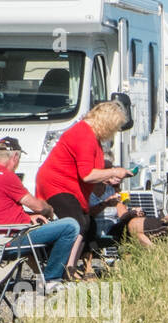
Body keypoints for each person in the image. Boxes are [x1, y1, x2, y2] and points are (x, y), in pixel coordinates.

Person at [0, 136, 80, 289]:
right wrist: (49, 209)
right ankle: (52, 279)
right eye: (19, 157)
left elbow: (3, 210)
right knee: (71, 225)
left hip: (0, 235)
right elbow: (38, 206)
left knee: (53, 226)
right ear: (15, 156)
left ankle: (43, 279)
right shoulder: (6, 176)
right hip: (12, 239)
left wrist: (30, 217)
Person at [35, 100, 131, 256]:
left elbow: (92, 171)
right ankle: (62, 267)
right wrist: (113, 172)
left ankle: (71, 266)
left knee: (87, 223)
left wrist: (108, 178)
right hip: (58, 185)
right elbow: (87, 175)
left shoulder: (92, 136)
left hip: (69, 186)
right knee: (76, 224)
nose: (112, 133)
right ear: (107, 123)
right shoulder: (84, 134)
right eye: (114, 128)